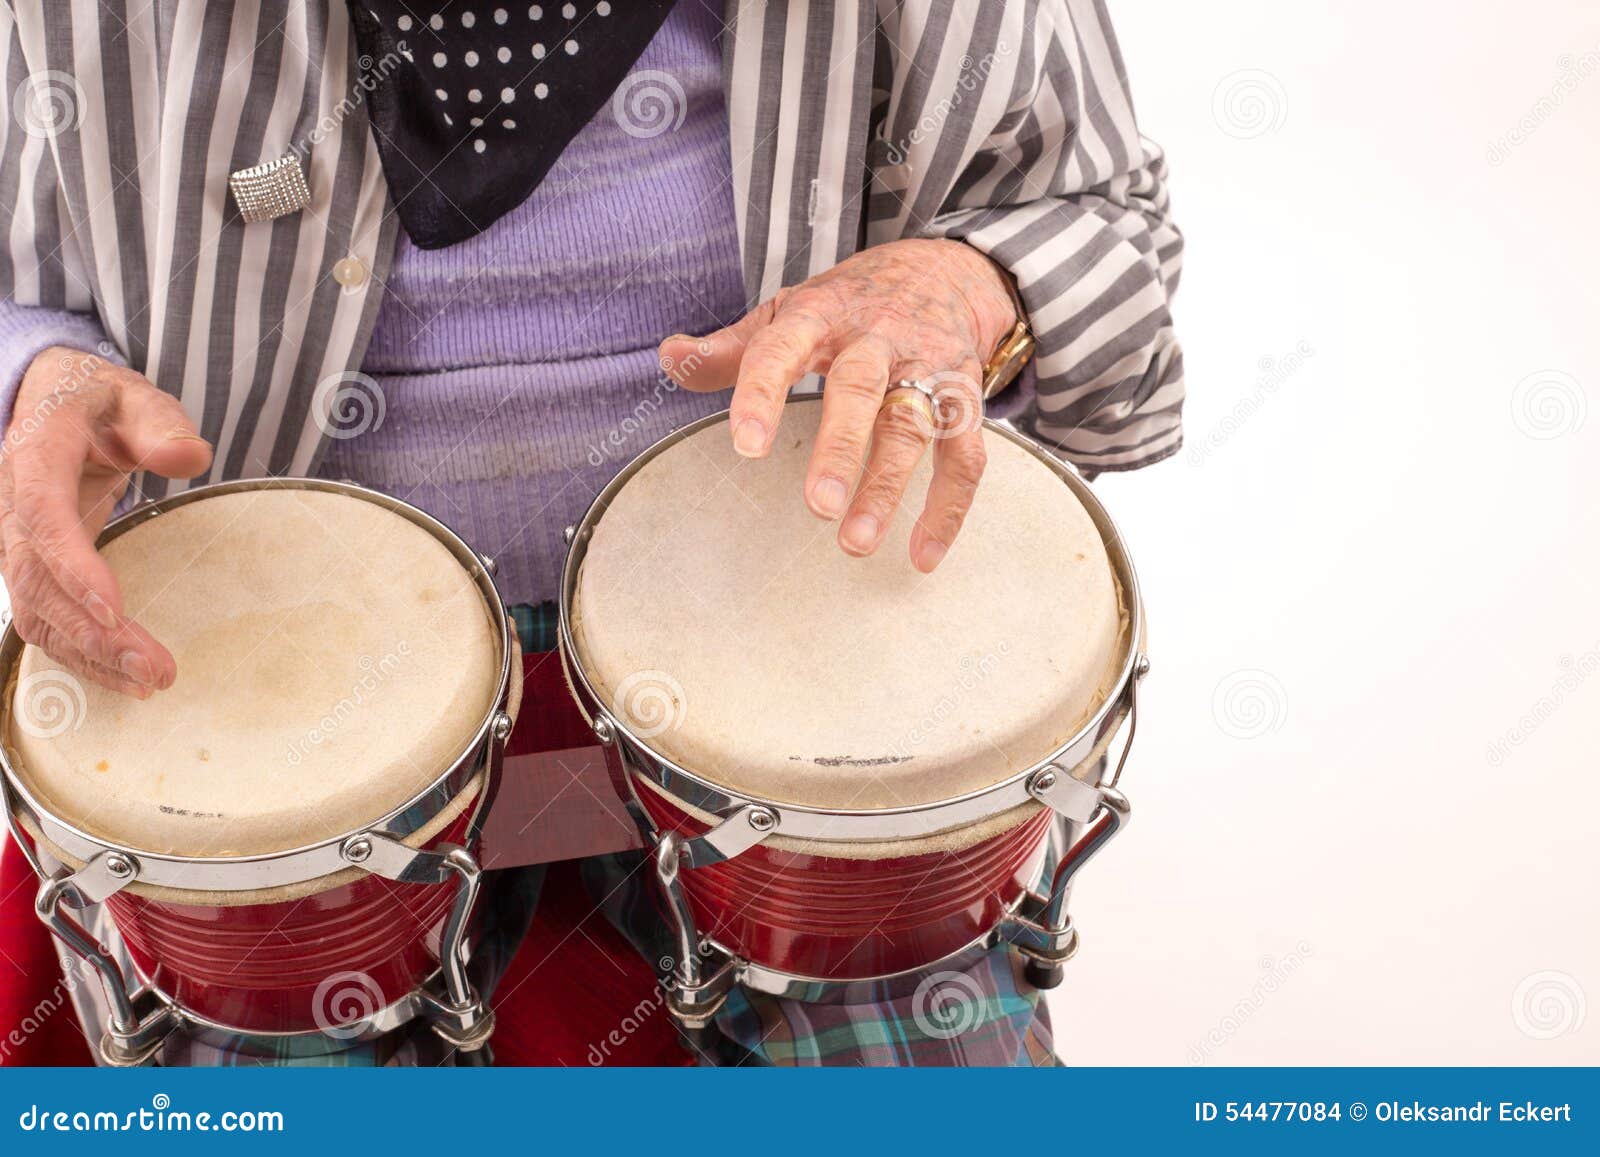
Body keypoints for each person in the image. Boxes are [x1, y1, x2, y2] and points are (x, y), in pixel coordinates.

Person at [0, 0, 1183, 1066]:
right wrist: (30, 384)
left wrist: (966, 287)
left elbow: (1106, 216)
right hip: (257, 699)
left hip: (821, 657)